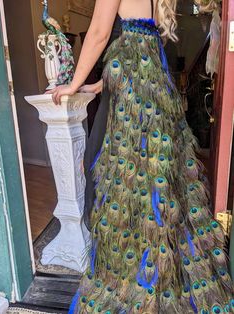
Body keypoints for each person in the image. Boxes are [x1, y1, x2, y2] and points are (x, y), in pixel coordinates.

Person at [47, 0, 234, 312]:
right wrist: (99, 84)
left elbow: (97, 33)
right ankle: (160, 272)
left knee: (117, 182)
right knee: (156, 188)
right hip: (151, 87)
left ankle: (131, 279)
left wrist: (74, 84)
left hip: (131, 99)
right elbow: (139, 46)